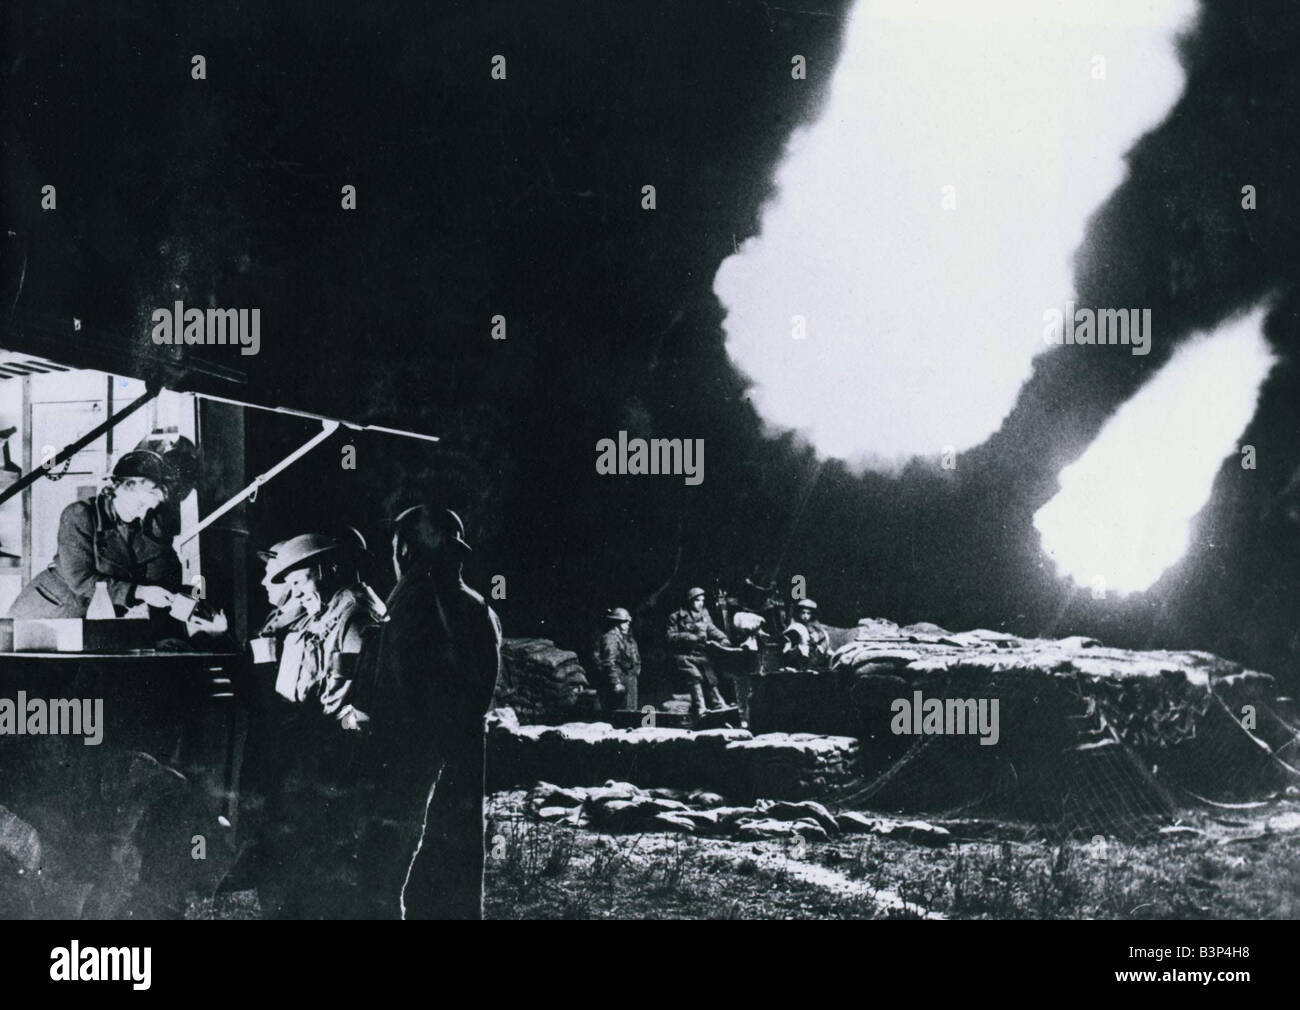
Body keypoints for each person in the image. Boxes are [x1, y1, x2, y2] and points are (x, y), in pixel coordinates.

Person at [356, 505, 502, 920]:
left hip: (414, 755)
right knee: (452, 861)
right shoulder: (476, 605)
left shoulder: (414, 604)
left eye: (398, 548)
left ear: (405, 550)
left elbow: (394, 688)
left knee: (406, 862)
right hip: (460, 752)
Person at [10, 450, 182, 625]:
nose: (145, 512)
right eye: (142, 503)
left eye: (152, 506)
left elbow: (165, 572)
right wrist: (139, 592)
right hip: (52, 610)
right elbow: (81, 579)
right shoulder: (79, 515)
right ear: (120, 488)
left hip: (100, 616)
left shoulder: (149, 523)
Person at [666, 586, 731, 716]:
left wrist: (723, 638)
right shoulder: (676, 617)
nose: (701, 603)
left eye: (702, 600)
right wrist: (690, 637)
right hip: (684, 655)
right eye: (697, 600)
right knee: (695, 677)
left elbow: (712, 629)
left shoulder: (704, 615)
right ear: (690, 601)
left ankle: (719, 704)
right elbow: (670, 637)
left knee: (710, 678)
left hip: (701, 655)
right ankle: (700, 707)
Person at [592, 606, 639, 713]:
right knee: (620, 714)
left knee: (630, 712)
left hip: (628, 679)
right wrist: (616, 683)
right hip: (618, 681)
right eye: (625, 622)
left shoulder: (626, 638)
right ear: (617, 623)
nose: (628, 624)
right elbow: (609, 662)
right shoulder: (611, 638)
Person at [783, 598, 831, 666]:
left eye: (808, 613)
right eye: (803, 613)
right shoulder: (795, 622)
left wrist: (816, 637)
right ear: (798, 613)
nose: (805, 616)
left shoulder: (814, 623)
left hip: (813, 649)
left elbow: (822, 634)